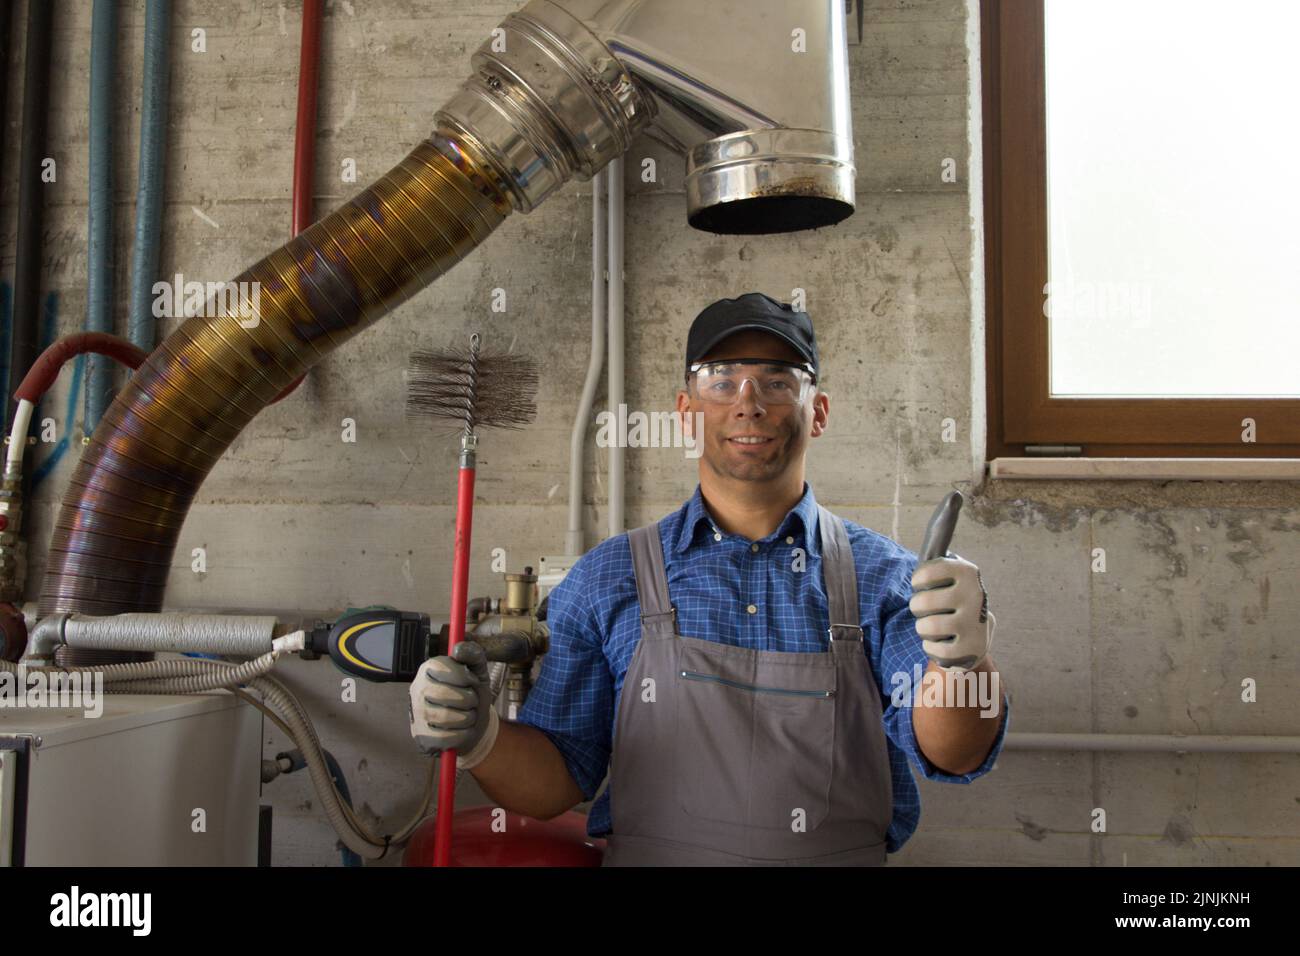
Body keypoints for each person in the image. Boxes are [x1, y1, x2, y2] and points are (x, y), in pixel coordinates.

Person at [409, 292, 1010, 866]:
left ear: (817, 411)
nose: (748, 402)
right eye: (721, 379)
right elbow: (559, 777)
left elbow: (954, 753)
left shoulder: (888, 581)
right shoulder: (609, 578)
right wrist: (481, 737)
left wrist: (963, 665)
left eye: (778, 381)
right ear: (685, 410)